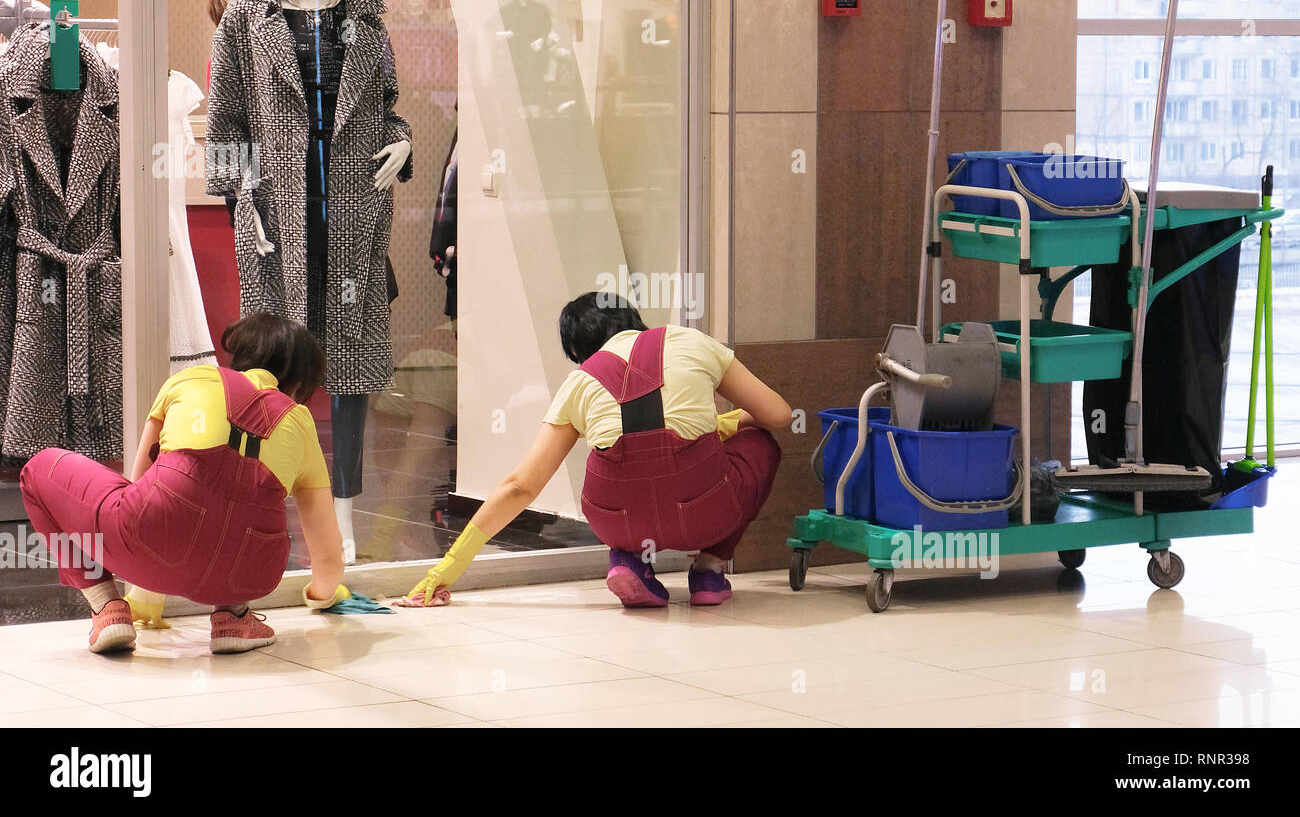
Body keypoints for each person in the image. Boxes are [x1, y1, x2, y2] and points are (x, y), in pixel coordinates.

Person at [403, 292, 790, 609]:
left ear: (578, 350)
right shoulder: (692, 342)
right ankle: (709, 568)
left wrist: (448, 570)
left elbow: (521, 486)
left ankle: (629, 561)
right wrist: (722, 426)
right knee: (760, 443)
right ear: (634, 319)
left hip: (619, 521)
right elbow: (778, 415)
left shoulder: (580, 380)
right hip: (706, 510)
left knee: (613, 463)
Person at [20, 313, 348, 655]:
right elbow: (327, 556)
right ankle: (234, 617)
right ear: (298, 385)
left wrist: (147, 591)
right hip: (249, 574)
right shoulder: (301, 421)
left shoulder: (190, 380)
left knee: (38, 471)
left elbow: (140, 486)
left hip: (146, 548)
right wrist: (321, 597)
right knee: (246, 511)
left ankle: (108, 609)